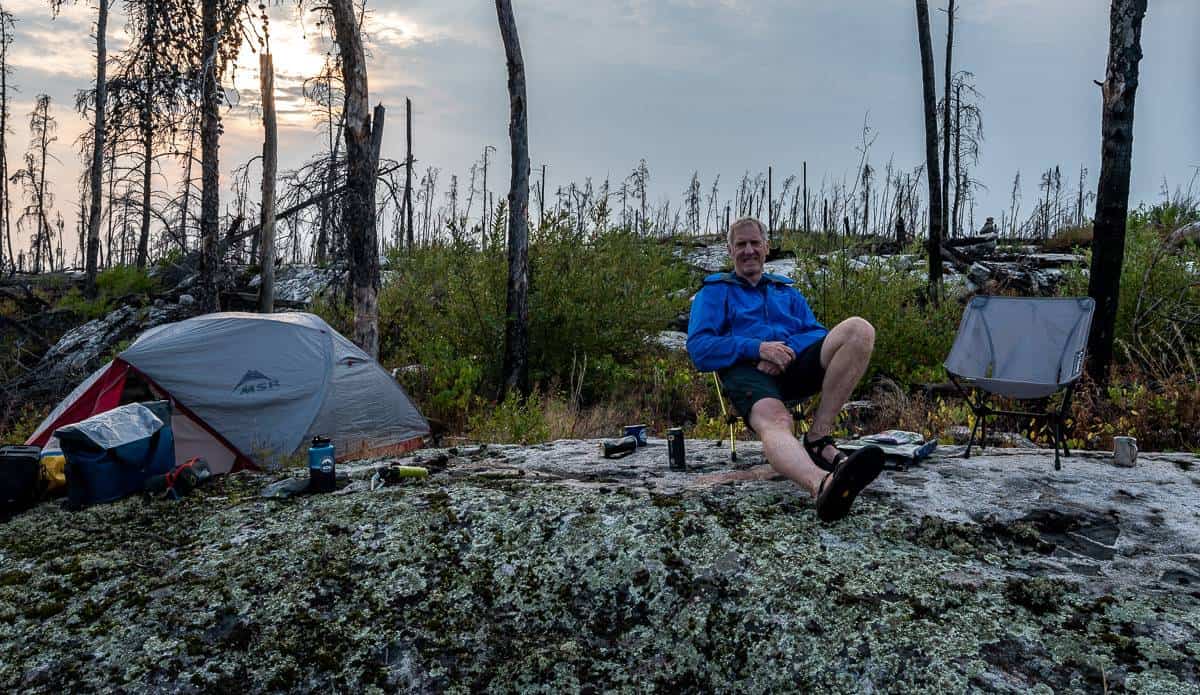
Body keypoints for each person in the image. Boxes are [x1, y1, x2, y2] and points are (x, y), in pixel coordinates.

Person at [686, 217, 884, 522]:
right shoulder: (714, 293)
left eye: (755, 243)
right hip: (746, 372)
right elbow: (699, 348)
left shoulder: (786, 292)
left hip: (792, 366)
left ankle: (818, 438)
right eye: (741, 244)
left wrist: (782, 350)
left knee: (859, 330)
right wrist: (757, 348)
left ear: (767, 248)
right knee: (777, 420)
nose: (749, 250)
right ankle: (821, 484)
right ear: (730, 251)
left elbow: (816, 333)